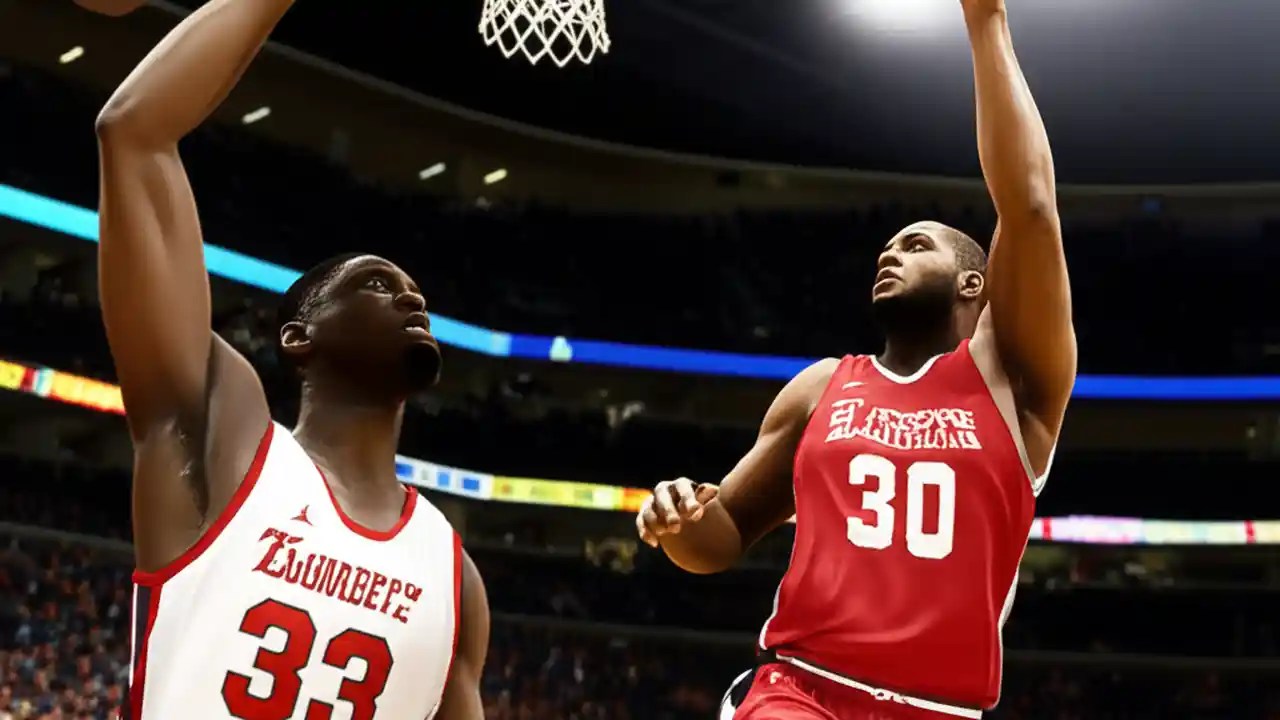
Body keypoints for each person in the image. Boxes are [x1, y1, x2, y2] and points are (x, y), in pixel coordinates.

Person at [637, 1, 1075, 718]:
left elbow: (1028, 204)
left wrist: (986, 20)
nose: (889, 252)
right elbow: (720, 541)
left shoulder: (1011, 381)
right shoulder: (820, 389)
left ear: (976, 282)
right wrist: (680, 522)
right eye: (888, 245)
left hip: (939, 707)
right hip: (801, 688)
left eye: (916, 245)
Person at [88, 0, 488, 718]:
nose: (410, 298)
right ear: (298, 338)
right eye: (376, 284)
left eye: (416, 291)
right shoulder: (225, 436)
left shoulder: (452, 573)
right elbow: (134, 134)